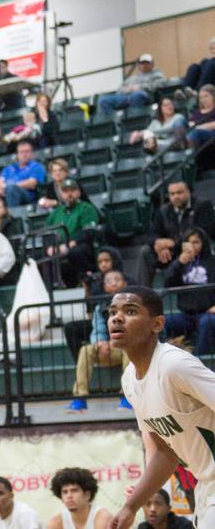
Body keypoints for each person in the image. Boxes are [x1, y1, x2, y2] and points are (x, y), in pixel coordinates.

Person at [110, 286, 215, 529]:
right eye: (113, 311)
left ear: (157, 324)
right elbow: (163, 453)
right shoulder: (129, 380)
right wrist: (131, 506)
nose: (117, 317)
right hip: (205, 485)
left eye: (131, 311)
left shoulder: (173, 365)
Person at [65, 270, 133, 413]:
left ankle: (128, 396)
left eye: (117, 279)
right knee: (85, 350)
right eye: (109, 281)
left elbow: (132, 330)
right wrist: (99, 343)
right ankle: (80, 398)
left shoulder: (133, 305)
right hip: (109, 350)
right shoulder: (100, 307)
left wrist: (113, 343)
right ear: (105, 287)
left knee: (129, 350)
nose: (113, 282)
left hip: (127, 348)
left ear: (125, 284)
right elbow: (98, 328)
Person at [137, 181, 215, 287]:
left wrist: (174, 243)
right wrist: (158, 244)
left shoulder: (202, 205)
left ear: (188, 192)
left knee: (193, 243)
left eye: (179, 193)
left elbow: (204, 231)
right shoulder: (164, 210)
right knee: (145, 252)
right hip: (171, 253)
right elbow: (151, 233)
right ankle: (144, 294)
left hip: (195, 249)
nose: (176, 197)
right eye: (172, 194)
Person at [164, 227, 215, 356]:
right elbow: (168, 283)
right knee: (160, 322)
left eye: (196, 242)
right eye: (189, 242)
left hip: (207, 313)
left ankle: (199, 362)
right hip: (185, 315)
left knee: (207, 322)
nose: (192, 246)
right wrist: (179, 263)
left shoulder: (212, 261)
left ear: (203, 243)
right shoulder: (181, 262)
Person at [46, 179, 102, 287]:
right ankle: (50, 289)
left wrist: (72, 243)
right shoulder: (56, 212)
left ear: (78, 192)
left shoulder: (86, 208)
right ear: (61, 194)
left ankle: (85, 281)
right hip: (59, 247)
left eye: (72, 190)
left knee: (77, 252)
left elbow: (89, 231)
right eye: (66, 191)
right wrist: (49, 247)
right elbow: (47, 231)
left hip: (81, 246)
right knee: (39, 257)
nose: (69, 194)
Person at [0, 141, 46, 211]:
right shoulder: (10, 167)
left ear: (32, 153)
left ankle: (11, 217)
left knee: (11, 188)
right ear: (17, 154)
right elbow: (0, 180)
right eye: (21, 152)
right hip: (5, 190)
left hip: (26, 194)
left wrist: (9, 186)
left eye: (27, 152)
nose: (24, 154)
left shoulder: (37, 166)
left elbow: (32, 183)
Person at [98, 54, 166, 117]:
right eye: (142, 63)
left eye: (147, 63)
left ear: (152, 64)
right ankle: (114, 123)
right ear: (139, 65)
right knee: (104, 100)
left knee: (137, 95)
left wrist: (140, 87)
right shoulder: (132, 78)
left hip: (146, 96)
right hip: (126, 97)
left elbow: (159, 85)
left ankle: (134, 122)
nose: (145, 65)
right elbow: (120, 89)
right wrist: (128, 89)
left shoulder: (157, 75)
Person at [46, 468, 111, 529]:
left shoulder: (102, 517)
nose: (69, 496)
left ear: (87, 495)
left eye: (74, 490)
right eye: (65, 492)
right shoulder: (55, 523)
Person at [185, 85, 215, 151]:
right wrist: (206, 126)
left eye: (206, 96)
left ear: (213, 96)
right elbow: (191, 124)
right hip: (199, 137)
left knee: (196, 132)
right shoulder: (197, 112)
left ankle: (190, 153)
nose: (203, 99)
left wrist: (199, 127)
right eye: (201, 97)